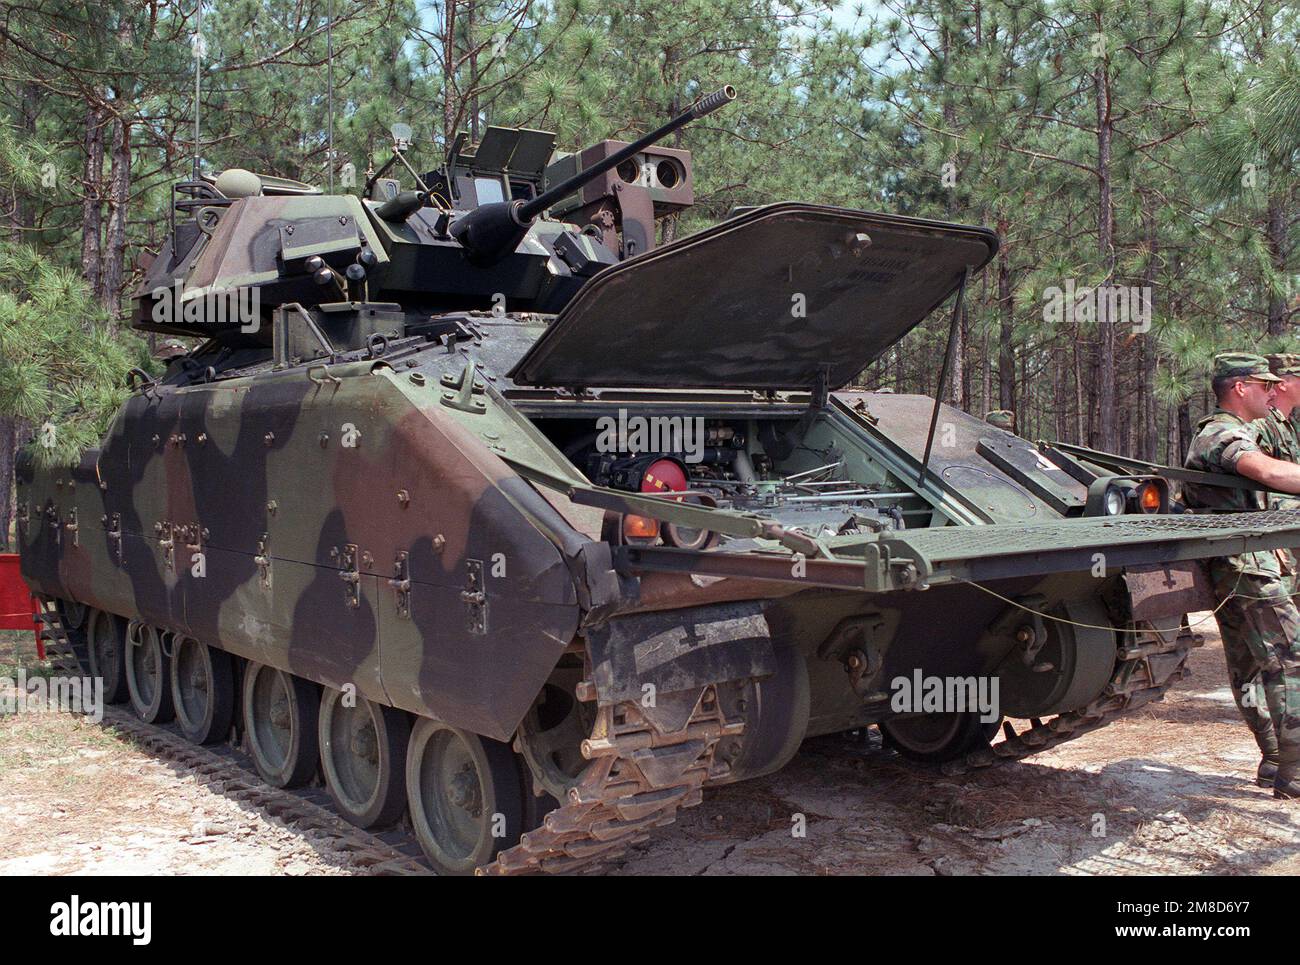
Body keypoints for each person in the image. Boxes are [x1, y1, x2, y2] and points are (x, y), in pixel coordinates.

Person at [1183, 352, 1300, 798]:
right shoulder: (1219, 431)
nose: (1272, 391)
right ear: (1240, 388)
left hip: (1248, 560)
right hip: (1240, 564)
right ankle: (1293, 769)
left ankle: (1276, 759)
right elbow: (1265, 471)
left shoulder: (1246, 429)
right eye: (1263, 384)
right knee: (1289, 655)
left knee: (1250, 664)